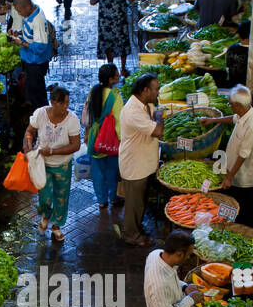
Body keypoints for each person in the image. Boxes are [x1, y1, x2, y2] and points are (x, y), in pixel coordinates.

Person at [25, 84, 82, 243]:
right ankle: (45, 216)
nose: (66, 106)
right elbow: (29, 132)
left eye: (67, 103)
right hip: (42, 164)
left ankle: (56, 226)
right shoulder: (40, 114)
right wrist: (28, 147)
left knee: (62, 196)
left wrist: (52, 151)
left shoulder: (72, 119)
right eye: (63, 103)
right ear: (52, 102)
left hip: (63, 164)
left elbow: (75, 145)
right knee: (44, 196)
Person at [116, 73, 166, 247]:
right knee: (134, 204)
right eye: (156, 89)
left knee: (141, 201)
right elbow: (158, 131)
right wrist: (160, 117)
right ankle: (131, 235)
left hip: (144, 163)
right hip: (135, 165)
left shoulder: (146, 104)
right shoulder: (133, 111)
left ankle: (137, 229)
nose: (158, 93)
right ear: (145, 90)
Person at [199, 84, 253, 192]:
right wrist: (212, 120)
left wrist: (229, 177)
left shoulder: (252, 125)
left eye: (230, 104)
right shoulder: (244, 112)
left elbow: (243, 154)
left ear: (238, 105)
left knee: (240, 200)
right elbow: (233, 118)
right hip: (232, 165)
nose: (229, 106)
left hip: (243, 174)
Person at [82, 63, 124, 211]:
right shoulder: (115, 96)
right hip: (110, 138)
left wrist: (86, 134)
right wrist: (121, 140)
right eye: (117, 74)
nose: (119, 76)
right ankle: (112, 197)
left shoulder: (93, 91)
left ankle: (101, 200)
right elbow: (119, 121)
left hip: (94, 136)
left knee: (97, 170)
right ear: (111, 79)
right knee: (111, 170)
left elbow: (87, 114)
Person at [8, 0, 54, 107]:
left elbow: (40, 46)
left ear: (27, 7)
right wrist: (19, 33)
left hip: (36, 63)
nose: (19, 14)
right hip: (30, 61)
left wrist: (22, 43)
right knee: (34, 90)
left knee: (36, 95)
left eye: (20, 11)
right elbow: (31, 33)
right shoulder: (31, 13)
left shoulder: (38, 20)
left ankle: (40, 116)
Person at [90, 0, 132, 69]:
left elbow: (92, 2)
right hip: (120, 19)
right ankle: (123, 68)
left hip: (106, 21)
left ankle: (111, 65)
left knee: (108, 43)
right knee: (122, 42)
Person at [224, 20, 251, 86]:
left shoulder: (232, 48)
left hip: (233, 85)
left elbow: (228, 68)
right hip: (248, 87)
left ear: (238, 34)